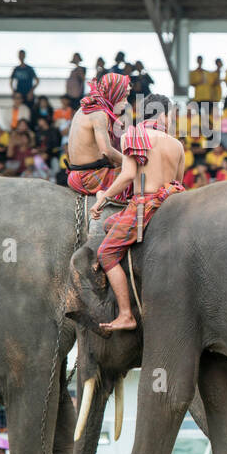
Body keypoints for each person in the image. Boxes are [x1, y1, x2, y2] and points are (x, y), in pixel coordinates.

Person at [90, 95, 185, 333]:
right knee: (110, 225)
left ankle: (125, 314)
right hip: (171, 207)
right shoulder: (177, 145)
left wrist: (103, 200)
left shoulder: (133, 136)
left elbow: (127, 176)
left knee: (106, 253)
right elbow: (178, 183)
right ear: (163, 115)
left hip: (143, 207)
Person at [65, 72, 129, 202]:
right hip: (89, 178)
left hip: (77, 174)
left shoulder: (86, 108)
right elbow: (106, 150)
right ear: (114, 93)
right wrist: (131, 162)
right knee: (136, 175)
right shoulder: (99, 114)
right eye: (125, 96)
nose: (126, 102)